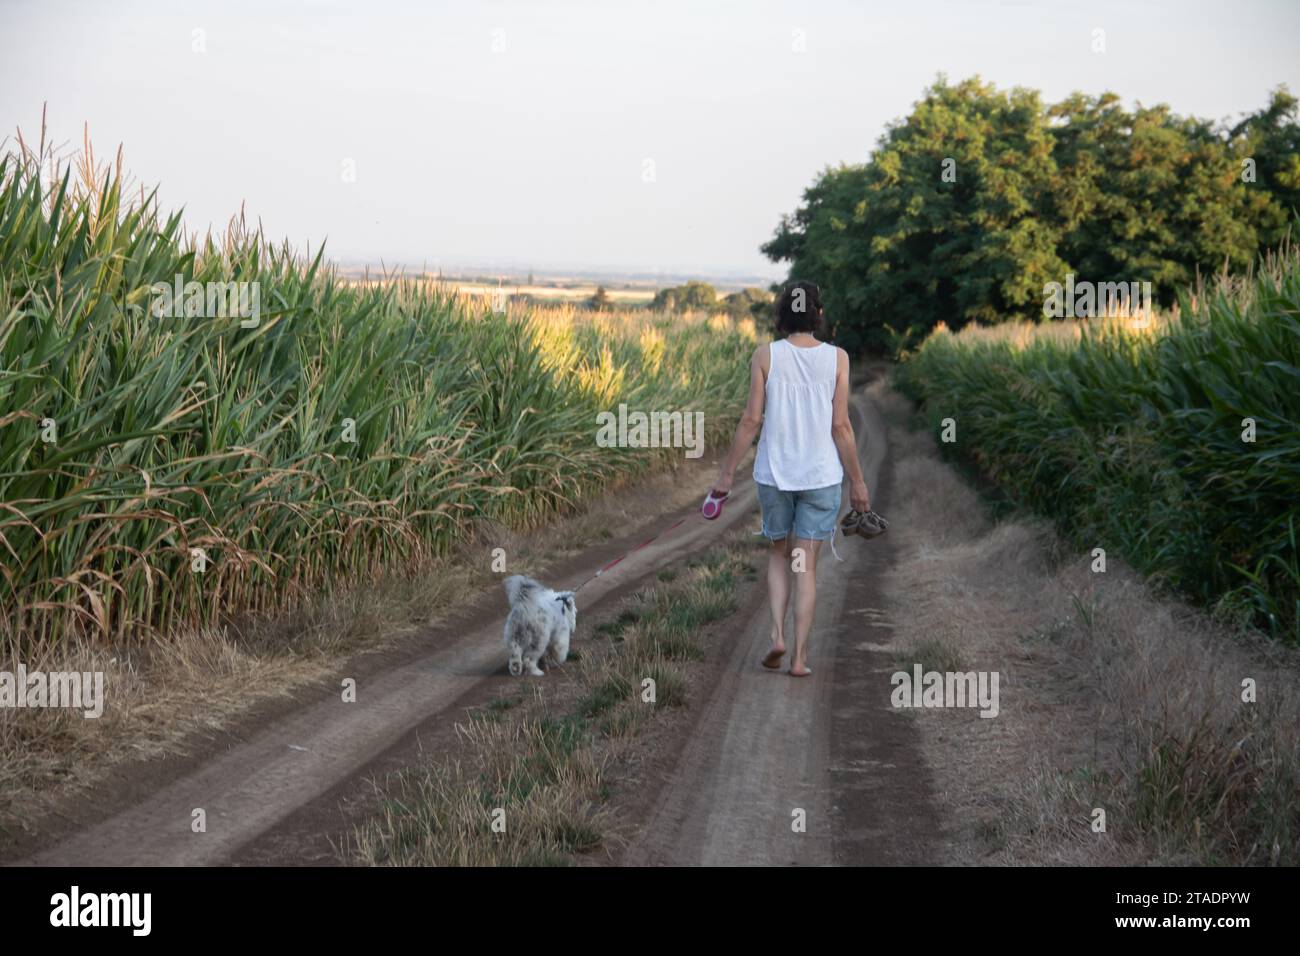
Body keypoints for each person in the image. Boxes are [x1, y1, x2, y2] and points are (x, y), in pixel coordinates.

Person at [710, 281, 871, 677]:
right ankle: (799, 658)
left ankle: (776, 636)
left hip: (775, 477)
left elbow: (751, 420)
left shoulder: (766, 355)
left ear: (782, 315)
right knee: (806, 567)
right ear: (818, 315)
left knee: (780, 555)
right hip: (820, 479)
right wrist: (858, 482)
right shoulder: (838, 359)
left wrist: (726, 475)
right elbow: (841, 426)